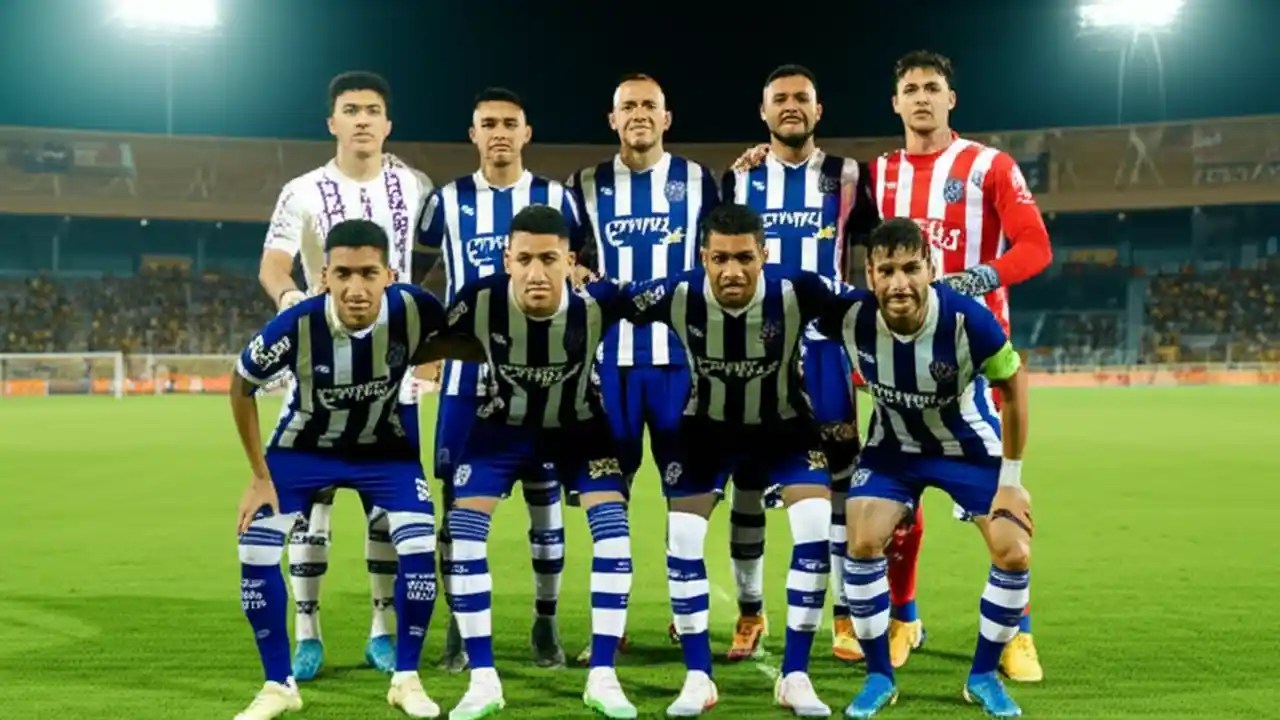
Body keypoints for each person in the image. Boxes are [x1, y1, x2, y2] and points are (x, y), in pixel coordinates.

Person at [731, 51, 1051, 680]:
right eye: (911, 88)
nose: (923, 98)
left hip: (970, 360)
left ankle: (1019, 633)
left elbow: (1035, 247)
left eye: (933, 88)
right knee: (899, 501)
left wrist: (977, 278)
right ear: (896, 103)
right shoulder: (877, 174)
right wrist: (755, 160)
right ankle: (904, 616)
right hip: (901, 360)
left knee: (1004, 508)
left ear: (950, 99)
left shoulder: (989, 165)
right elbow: (852, 238)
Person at [610, 203, 842, 717]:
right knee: (685, 537)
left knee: (813, 526)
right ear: (703, 257)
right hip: (706, 432)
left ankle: (796, 676)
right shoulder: (678, 293)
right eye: (719, 259)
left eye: (743, 258)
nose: (731, 271)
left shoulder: (798, 290)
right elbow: (612, 301)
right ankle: (698, 677)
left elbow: (860, 314)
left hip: (784, 429)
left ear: (764, 254)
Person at [231, 219, 464, 719]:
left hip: (385, 451)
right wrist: (258, 475)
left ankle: (406, 677)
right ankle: (278, 684)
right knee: (254, 547)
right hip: (301, 451)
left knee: (420, 543)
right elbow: (241, 382)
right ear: (324, 279)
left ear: (390, 274)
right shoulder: (298, 324)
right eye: (343, 274)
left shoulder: (414, 308)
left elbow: (455, 343)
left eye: (368, 273)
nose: (356, 289)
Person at [811, 218, 1033, 719]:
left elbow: (1015, 390)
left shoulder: (968, 321)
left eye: (911, 268)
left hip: (970, 449)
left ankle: (982, 676)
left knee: (1014, 551)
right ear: (869, 274)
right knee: (861, 540)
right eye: (886, 270)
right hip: (893, 451)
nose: (899, 283)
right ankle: (877, 676)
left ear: (931, 268)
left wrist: (1012, 482)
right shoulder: (848, 316)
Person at [257, 70, 434, 680]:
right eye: (351, 109)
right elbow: (274, 264)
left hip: (394, 374)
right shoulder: (301, 190)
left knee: (388, 509)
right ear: (332, 122)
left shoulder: (413, 185)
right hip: (318, 369)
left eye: (373, 109)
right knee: (312, 508)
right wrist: (293, 307)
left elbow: (441, 255)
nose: (362, 119)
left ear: (388, 123)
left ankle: (382, 632)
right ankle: (308, 635)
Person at [438, 205, 637, 720]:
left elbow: (674, 303)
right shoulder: (478, 300)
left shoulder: (601, 300)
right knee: (463, 533)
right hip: (500, 428)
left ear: (571, 262)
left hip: (579, 428)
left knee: (614, 533)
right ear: (507, 259)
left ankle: (603, 675)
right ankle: (483, 679)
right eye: (524, 258)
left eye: (549, 259)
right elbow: (420, 336)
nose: (535, 272)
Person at [415, 87, 584, 673]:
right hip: (466, 384)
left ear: (526, 132)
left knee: (545, 506)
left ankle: (546, 623)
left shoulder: (556, 198)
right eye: (488, 123)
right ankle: (459, 631)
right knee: (456, 507)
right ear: (473, 133)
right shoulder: (446, 201)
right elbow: (424, 276)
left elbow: (579, 271)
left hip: (543, 381)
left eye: (510, 122)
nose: (499, 133)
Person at [720, 64, 878, 663]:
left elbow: (868, 252)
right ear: (763, 113)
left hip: (825, 353)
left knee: (840, 484)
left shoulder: (847, 177)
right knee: (749, 481)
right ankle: (750, 613)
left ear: (819, 110)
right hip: (753, 354)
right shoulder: (738, 180)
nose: (791, 107)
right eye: (780, 99)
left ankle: (844, 615)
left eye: (802, 99)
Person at [566, 72, 719, 660]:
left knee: (687, 500)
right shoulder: (583, 184)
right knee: (611, 498)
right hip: (610, 367)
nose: (638, 114)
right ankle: (614, 623)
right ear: (612, 120)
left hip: (680, 366)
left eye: (648, 105)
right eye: (627, 106)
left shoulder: (698, 181)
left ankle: (687, 619)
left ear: (666, 117)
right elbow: (570, 260)